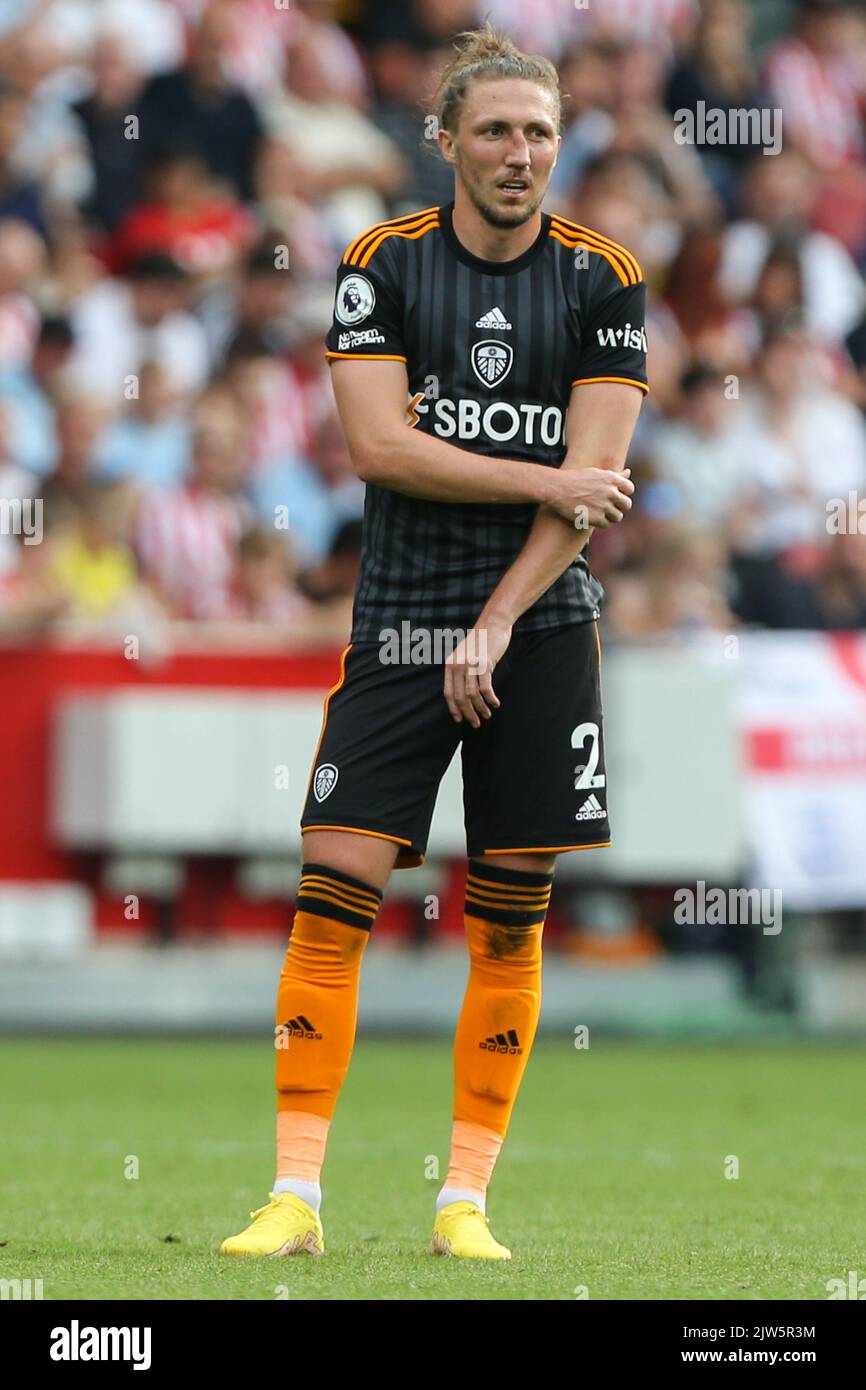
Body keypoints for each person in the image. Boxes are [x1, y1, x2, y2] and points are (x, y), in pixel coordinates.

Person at [220, 23, 646, 1263]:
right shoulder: (381, 264)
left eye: (539, 134)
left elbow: (599, 489)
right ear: (446, 140)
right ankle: (294, 1196)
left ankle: (463, 1201)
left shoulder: (605, 276)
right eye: (497, 131)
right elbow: (379, 450)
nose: (519, 154)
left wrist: (503, 616)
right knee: (334, 884)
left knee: (509, 916)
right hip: (402, 619)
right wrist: (545, 476)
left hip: (539, 624)